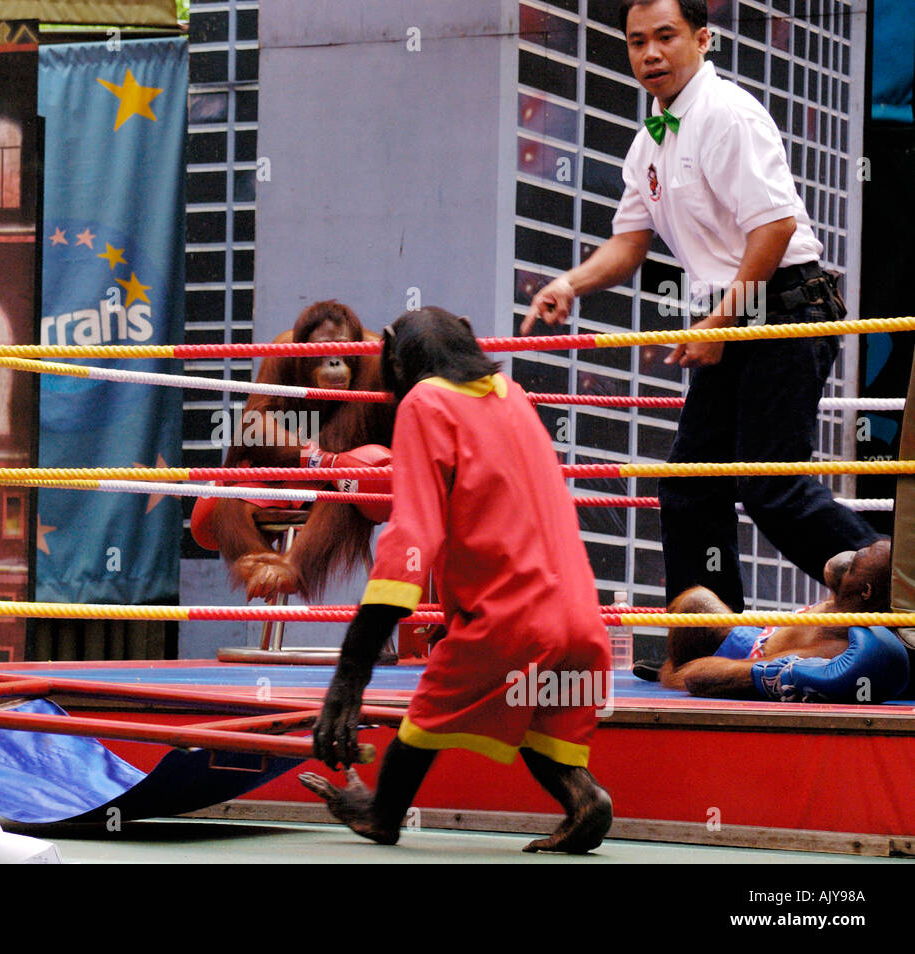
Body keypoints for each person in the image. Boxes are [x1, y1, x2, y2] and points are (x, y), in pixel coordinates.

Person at [522, 0, 878, 613]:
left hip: (785, 306)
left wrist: (719, 323)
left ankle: (894, 595)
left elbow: (773, 229)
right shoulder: (648, 142)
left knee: (771, 486)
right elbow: (630, 244)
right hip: (736, 312)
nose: (651, 54)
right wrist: (570, 284)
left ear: (703, 39)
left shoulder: (727, 114)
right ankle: (709, 638)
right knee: (690, 486)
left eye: (666, 37)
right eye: (638, 42)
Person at [300, 308, 613, 853]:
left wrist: (349, 677)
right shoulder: (512, 396)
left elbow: (411, 543)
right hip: (582, 618)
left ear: (393, 354)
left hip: (510, 617)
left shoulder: (425, 402)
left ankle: (381, 813)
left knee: (429, 712)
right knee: (533, 712)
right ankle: (584, 799)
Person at [654, 539, 909, 701]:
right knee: (697, 602)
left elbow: (699, 678)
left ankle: (668, 672)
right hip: (761, 637)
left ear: (866, 592)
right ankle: (668, 669)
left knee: (694, 604)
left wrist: (685, 676)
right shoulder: (848, 604)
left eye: (855, 562)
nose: (848, 557)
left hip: (754, 659)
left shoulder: (840, 648)